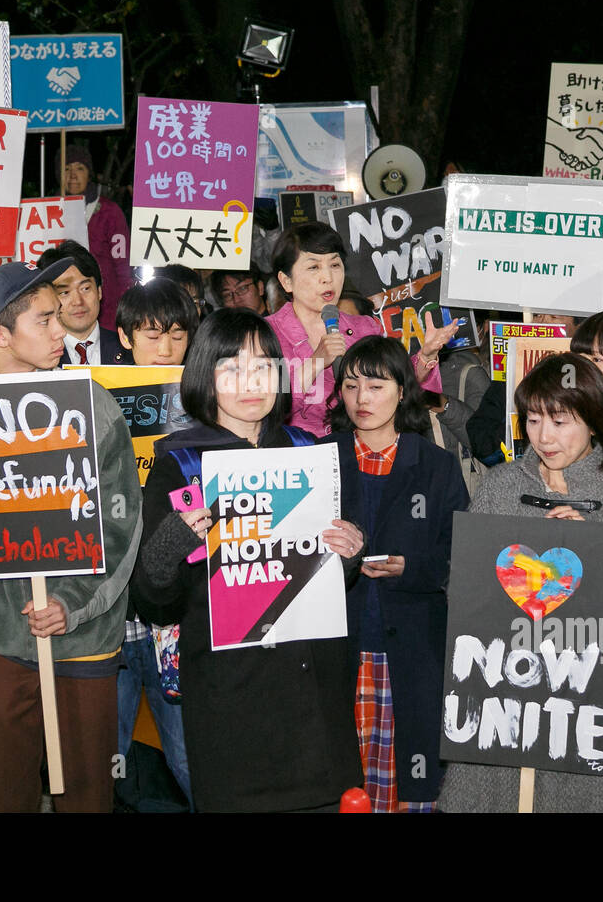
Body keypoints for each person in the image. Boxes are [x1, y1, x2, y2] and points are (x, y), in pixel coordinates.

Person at [0, 260, 141, 813]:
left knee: (88, 793)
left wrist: (74, 603)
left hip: (85, 640)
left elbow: (122, 520)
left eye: (60, 316)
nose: (63, 331)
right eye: (45, 320)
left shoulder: (94, 405)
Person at [130, 308, 366, 811]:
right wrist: (174, 538)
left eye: (262, 367)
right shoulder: (179, 462)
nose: (250, 383)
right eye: (231, 368)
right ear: (204, 376)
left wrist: (348, 552)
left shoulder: (310, 450)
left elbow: (329, 572)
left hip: (311, 691)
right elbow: (153, 597)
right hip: (229, 693)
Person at [439, 353, 603, 812]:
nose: (544, 436)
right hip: (505, 702)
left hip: (590, 706)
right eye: (534, 420)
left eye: (561, 421)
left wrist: (595, 554)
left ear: (595, 419)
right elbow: (464, 592)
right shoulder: (499, 485)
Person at [325, 336, 469, 811]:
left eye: (376, 385)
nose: (362, 399)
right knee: (342, 784)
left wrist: (413, 569)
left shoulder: (436, 466)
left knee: (408, 786)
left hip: (410, 648)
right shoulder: (320, 460)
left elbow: (461, 557)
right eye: (350, 385)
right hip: (336, 647)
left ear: (403, 391)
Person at [111, 276, 199, 807]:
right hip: (114, 610)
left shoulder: (208, 401)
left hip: (178, 609)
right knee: (107, 750)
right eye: (151, 336)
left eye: (177, 335)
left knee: (189, 754)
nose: (165, 349)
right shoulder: (94, 399)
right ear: (124, 338)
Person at [264, 222, 453, 437]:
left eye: (335, 265)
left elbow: (395, 386)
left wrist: (426, 356)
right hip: (297, 453)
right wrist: (316, 362)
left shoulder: (364, 327)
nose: (328, 278)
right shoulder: (265, 334)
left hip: (360, 451)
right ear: (286, 281)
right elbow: (265, 406)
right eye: (313, 267)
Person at [60, 145, 132, 330]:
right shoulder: (50, 212)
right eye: (66, 169)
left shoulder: (109, 211)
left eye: (80, 168)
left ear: (89, 173)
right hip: (67, 312)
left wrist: (125, 309)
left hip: (107, 312)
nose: (73, 175)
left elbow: (123, 265)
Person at [41, 242, 125, 365]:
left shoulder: (129, 348)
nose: (78, 301)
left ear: (99, 291)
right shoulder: (39, 357)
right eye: (65, 292)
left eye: (85, 288)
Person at [114, 277, 200, 367]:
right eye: (153, 337)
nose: (165, 352)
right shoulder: (106, 380)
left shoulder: (206, 380)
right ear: (125, 337)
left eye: (177, 337)